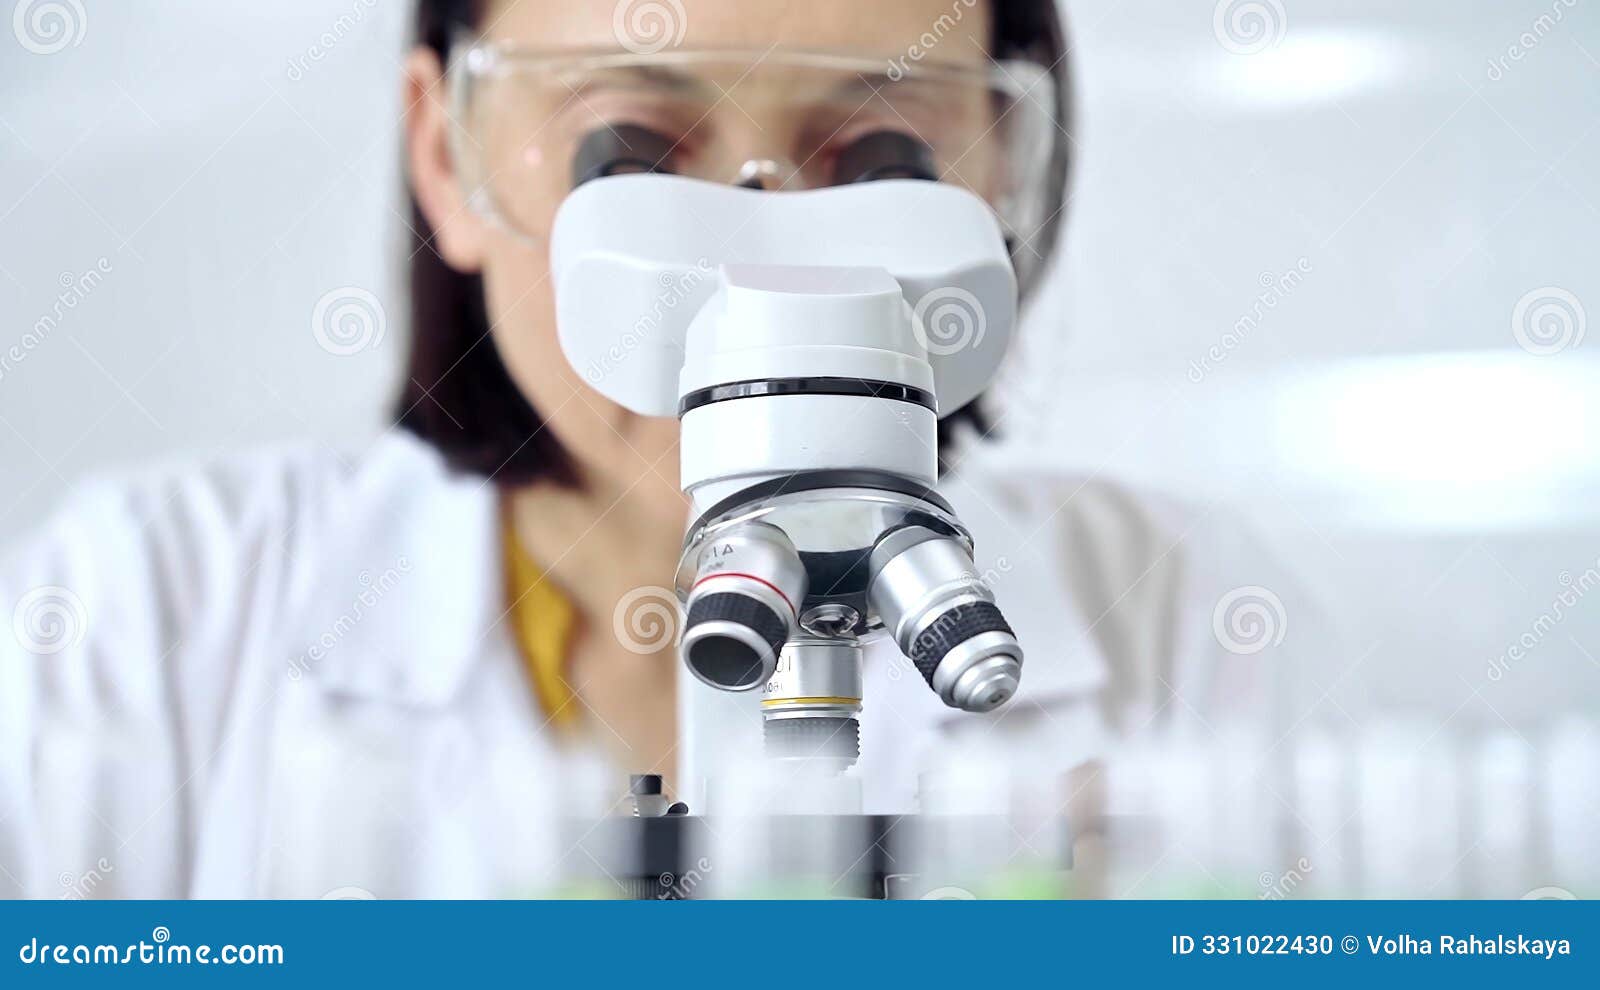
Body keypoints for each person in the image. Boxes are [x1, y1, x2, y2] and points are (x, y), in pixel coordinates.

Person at [0, 0, 1218, 898]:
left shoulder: (1184, 618)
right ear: (448, 152)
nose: (759, 256)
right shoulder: (135, 609)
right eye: (628, 152)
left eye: (875, 158)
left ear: (1000, 165)